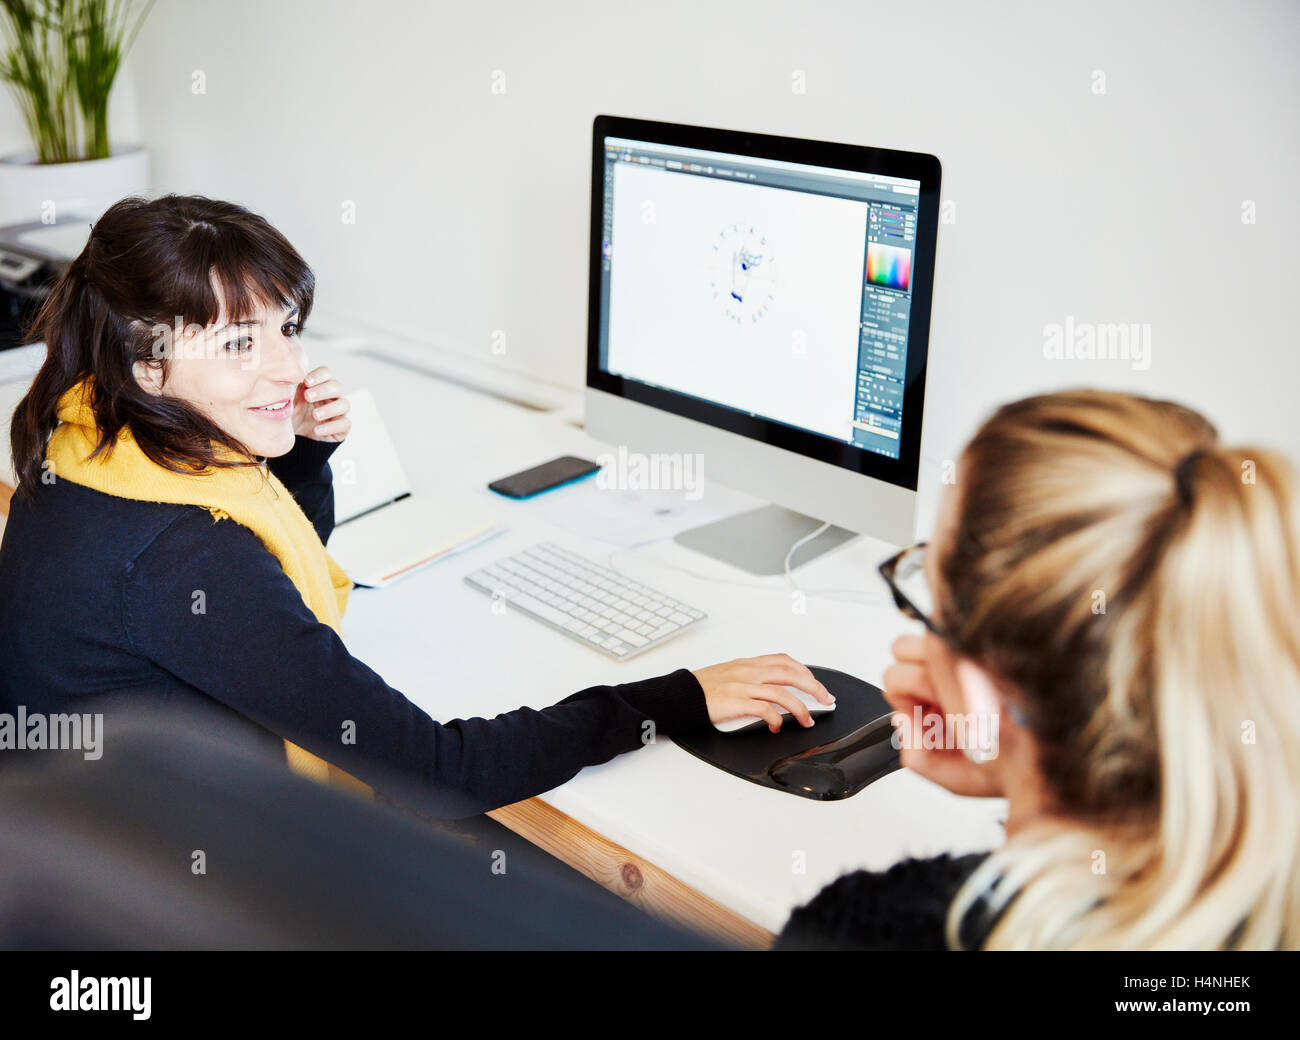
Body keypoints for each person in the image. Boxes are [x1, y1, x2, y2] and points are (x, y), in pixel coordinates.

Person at [0, 193, 834, 817]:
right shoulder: (184, 555)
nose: (288, 368)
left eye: (286, 327)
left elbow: (260, 580)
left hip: (82, 836)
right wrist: (673, 699)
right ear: (148, 367)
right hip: (150, 894)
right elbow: (433, 770)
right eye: (238, 343)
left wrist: (302, 453)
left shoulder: (86, 440)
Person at [776, 390, 1300, 950]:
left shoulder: (864, 933)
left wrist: (1018, 782)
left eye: (926, 586)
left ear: (979, 694)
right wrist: (1018, 770)